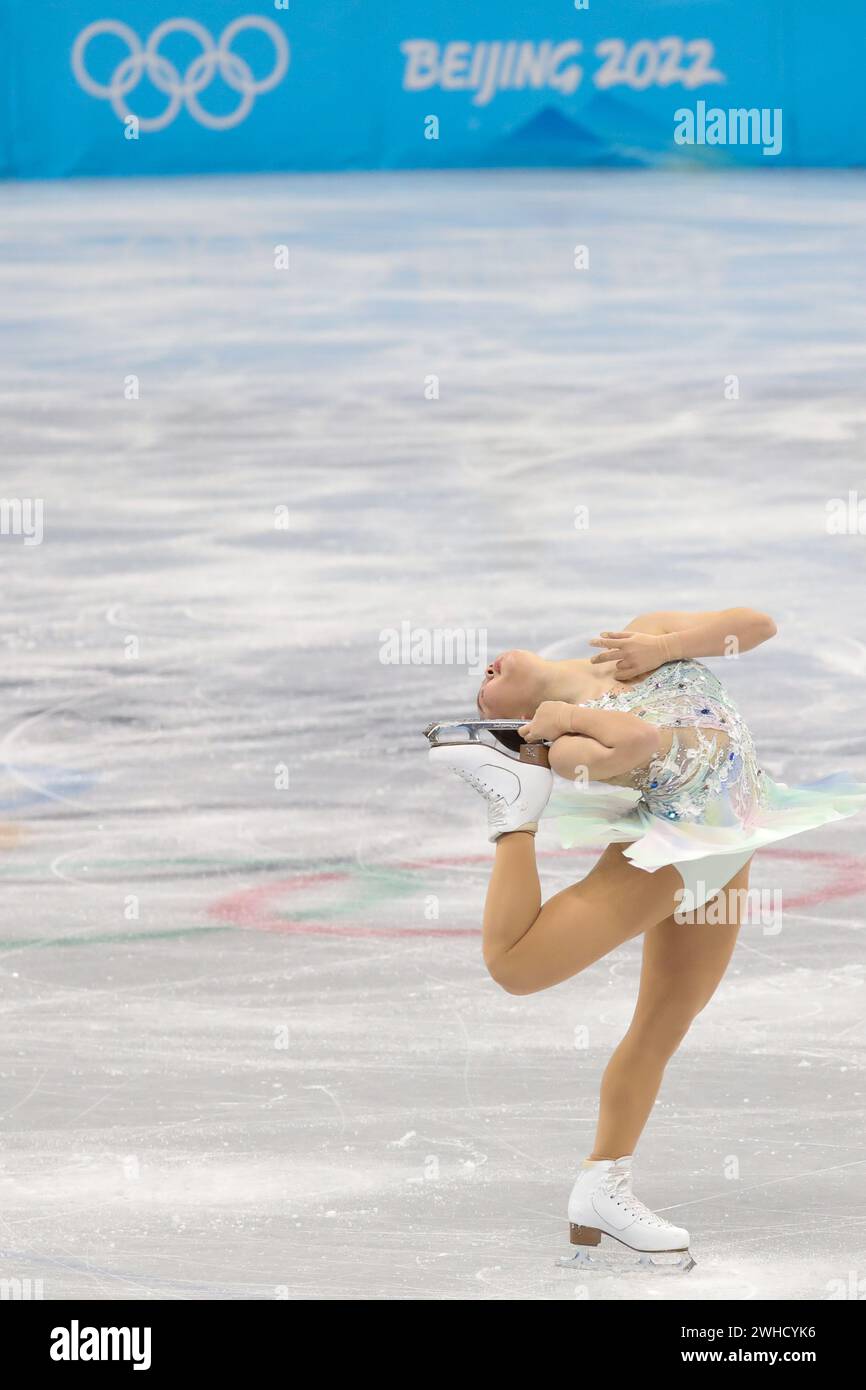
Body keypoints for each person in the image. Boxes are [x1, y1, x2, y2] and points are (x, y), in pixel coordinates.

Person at [424, 609, 866, 1268]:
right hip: (681, 850)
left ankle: (602, 1186)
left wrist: (667, 645)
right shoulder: (570, 748)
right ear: (515, 722)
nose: (482, 677)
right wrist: (556, 726)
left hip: (736, 835)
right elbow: (632, 742)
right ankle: (512, 812)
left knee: (663, 1025)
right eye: (481, 697)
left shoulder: (643, 636)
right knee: (516, 965)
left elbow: (756, 626)